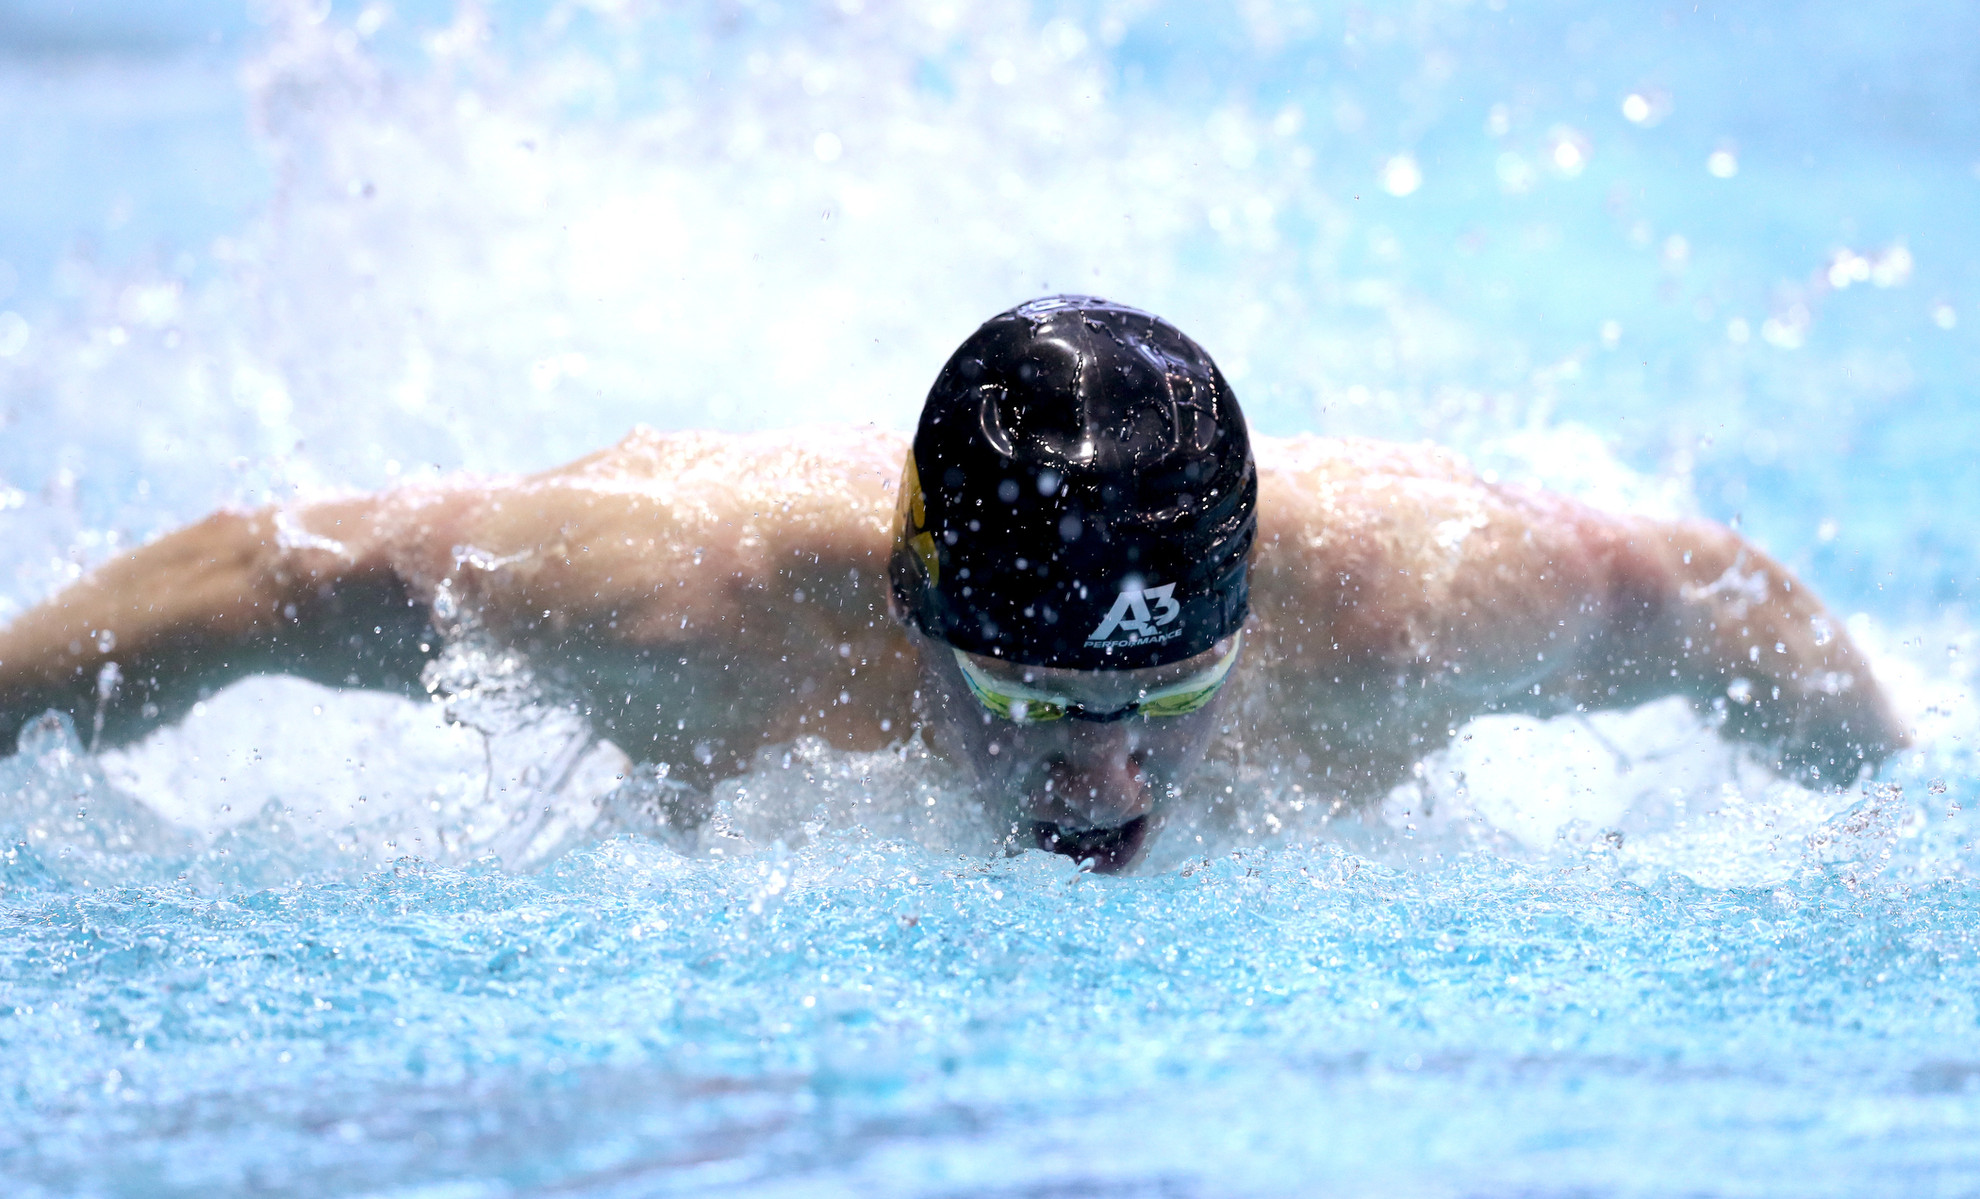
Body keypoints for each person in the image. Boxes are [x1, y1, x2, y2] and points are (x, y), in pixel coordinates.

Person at [0, 297, 1906, 871]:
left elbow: (1715, 598)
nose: (1110, 784)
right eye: (1034, 703)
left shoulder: (1416, 609)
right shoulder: (675, 603)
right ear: (909, 612)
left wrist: (1906, 772)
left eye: (1171, 696)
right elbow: (262, 575)